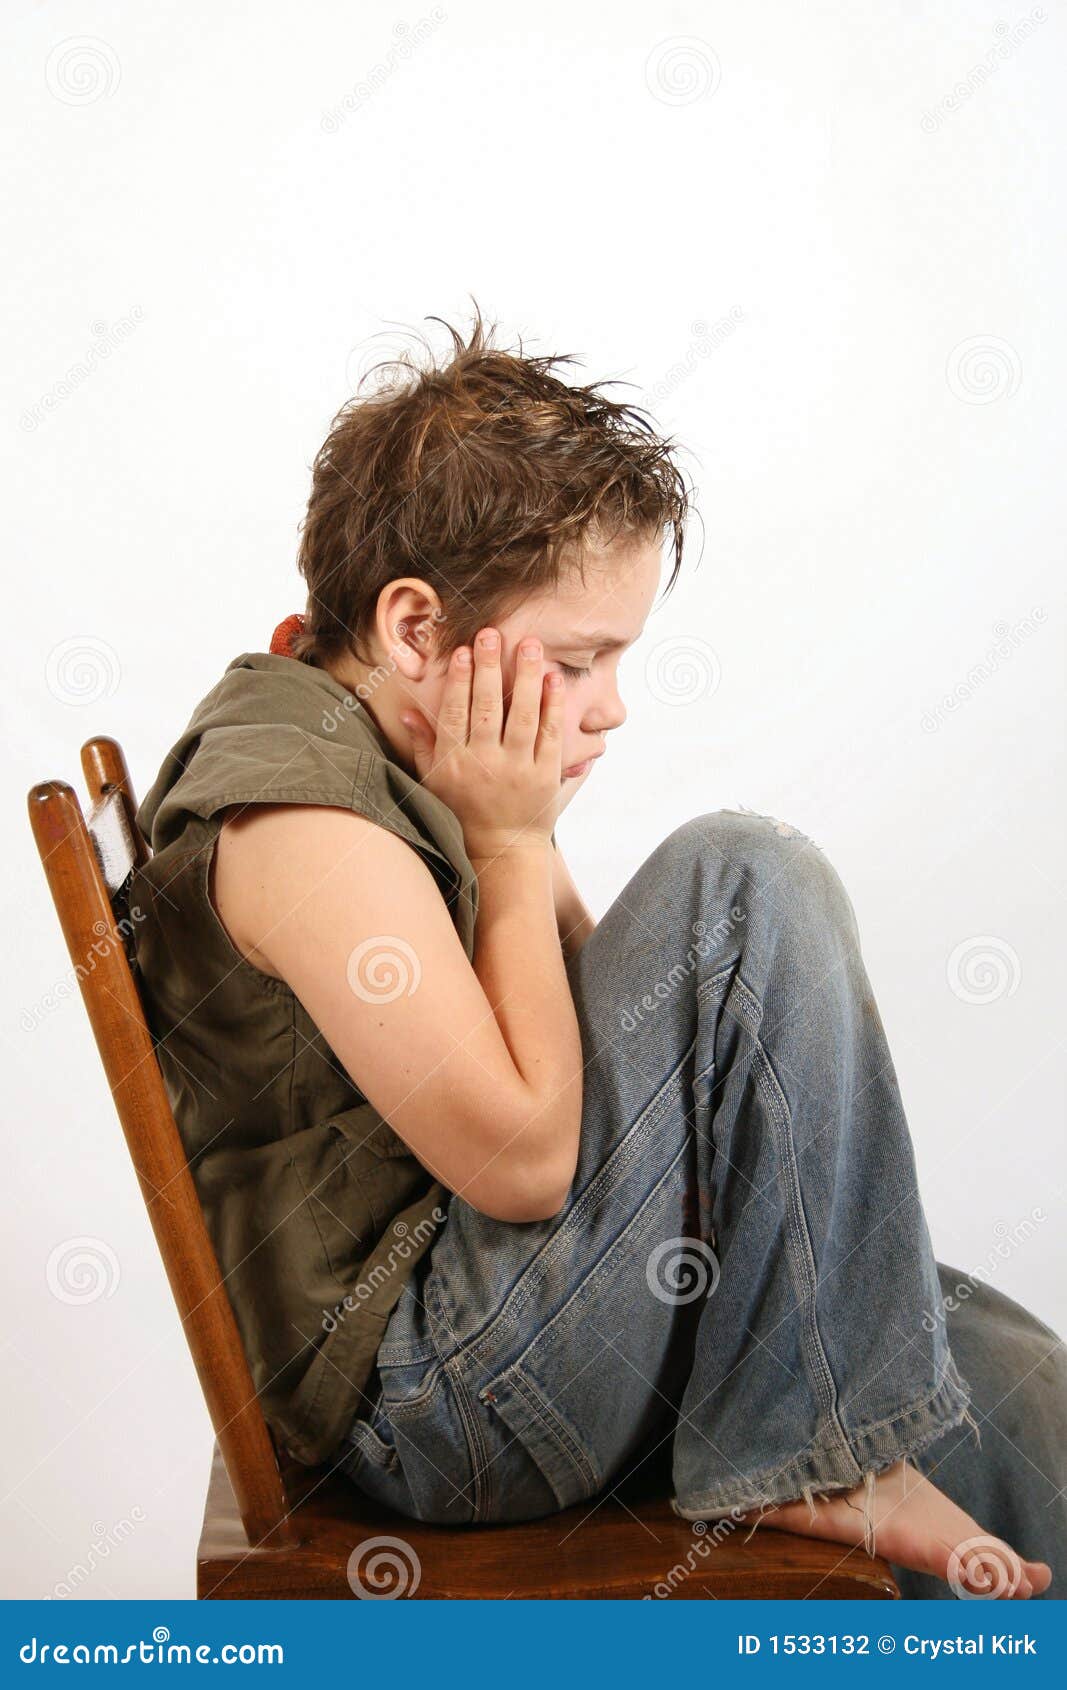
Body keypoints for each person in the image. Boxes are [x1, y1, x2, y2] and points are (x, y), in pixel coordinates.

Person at [133, 306, 1064, 1599]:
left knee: (1005, 1374)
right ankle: (817, 1448)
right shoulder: (303, 825)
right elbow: (522, 1163)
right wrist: (513, 842)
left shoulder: (387, 752)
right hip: (436, 1401)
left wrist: (515, 834)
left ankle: (848, 1452)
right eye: (580, 660)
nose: (612, 705)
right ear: (415, 632)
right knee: (743, 876)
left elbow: (595, 1013)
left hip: (511, 1321)